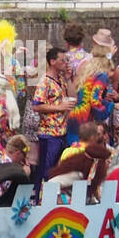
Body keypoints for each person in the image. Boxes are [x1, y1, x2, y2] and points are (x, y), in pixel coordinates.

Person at [32, 47, 71, 189]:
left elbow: (71, 95)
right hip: (49, 133)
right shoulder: (45, 81)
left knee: (56, 170)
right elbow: (36, 106)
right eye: (62, 60)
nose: (65, 63)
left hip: (62, 132)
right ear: (53, 61)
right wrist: (59, 108)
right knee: (46, 170)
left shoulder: (61, 79)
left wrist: (68, 79)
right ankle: (40, 199)